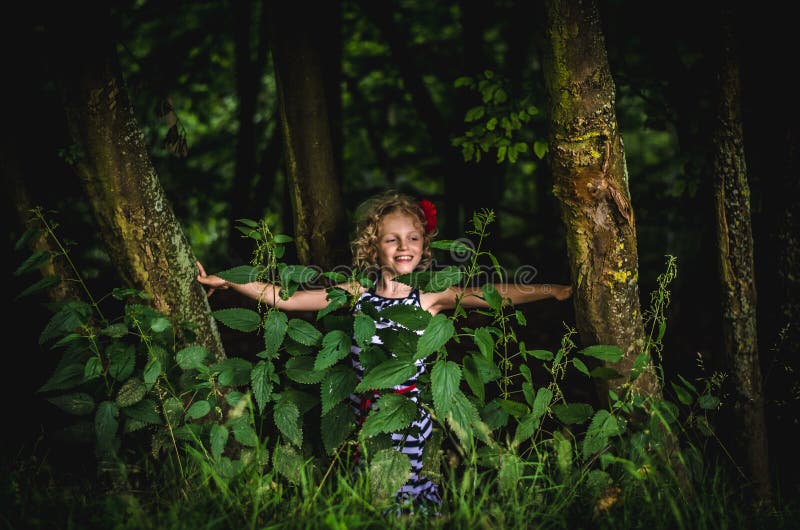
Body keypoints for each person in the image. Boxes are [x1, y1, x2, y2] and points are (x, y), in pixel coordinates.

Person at [196, 190, 573, 511]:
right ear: (373, 246)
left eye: (413, 237)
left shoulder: (428, 298)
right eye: (392, 239)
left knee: (408, 493)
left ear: (424, 244)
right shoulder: (356, 294)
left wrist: (551, 290)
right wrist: (228, 280)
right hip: (365, 413)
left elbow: (491, 295)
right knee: (371, 493)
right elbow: (287, 299)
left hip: (408, 416)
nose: (404, 246)